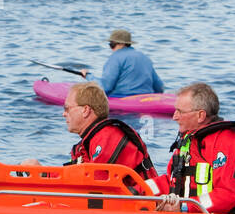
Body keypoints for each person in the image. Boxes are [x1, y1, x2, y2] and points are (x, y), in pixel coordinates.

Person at [25, 82, 161, 192]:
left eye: (67, 109)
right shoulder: (88, 142)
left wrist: (43, 173)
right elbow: (77, 180)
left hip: (141, 206)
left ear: (86, 110)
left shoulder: (109, 136)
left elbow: (92, 182)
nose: (64, 114)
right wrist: (42, 173)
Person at [155, 82, 235, 214]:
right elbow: (171, 181)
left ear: (201, 116)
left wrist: (184, 208)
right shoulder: (188, 141)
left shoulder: (229, 141)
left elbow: (228, 193)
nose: (174, 117)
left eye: (180, 111)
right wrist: (136, 190)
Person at [81, 29, 164, 98]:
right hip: (145, 98)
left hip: (123, 99)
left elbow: (105, 87)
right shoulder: (145, 57)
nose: (111, 48)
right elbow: (159, 88)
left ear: (122, 44)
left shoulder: (115, 58)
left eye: (111, 44)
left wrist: (88, 76)